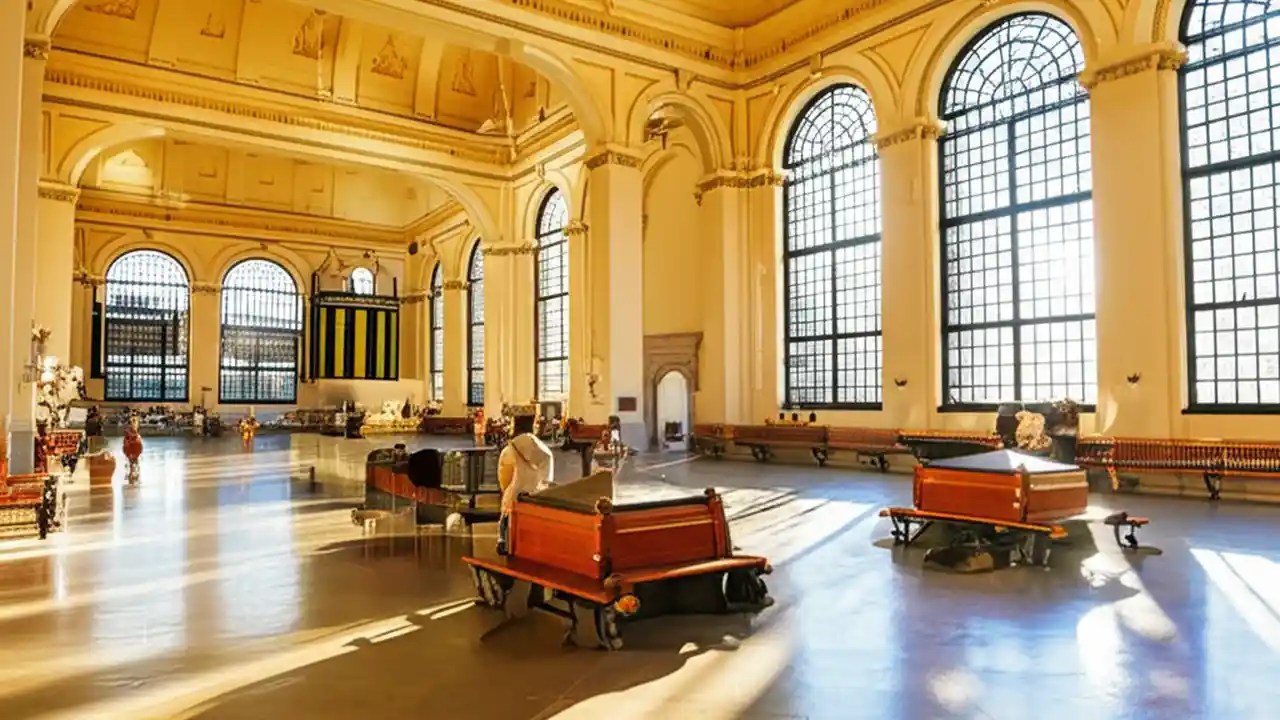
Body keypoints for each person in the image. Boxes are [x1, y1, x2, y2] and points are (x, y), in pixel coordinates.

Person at [496, 432, 554, 554]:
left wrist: (507, 490)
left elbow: (504, 474)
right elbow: (548, 477)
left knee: (507, 514)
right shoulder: (544, 450)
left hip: (516, 491)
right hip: (538, 493)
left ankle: (503, 541)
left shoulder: (511, 450)